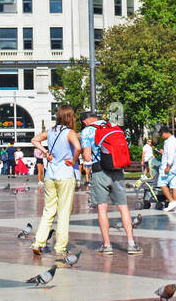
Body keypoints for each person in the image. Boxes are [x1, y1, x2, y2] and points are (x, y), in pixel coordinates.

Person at [80, 111, 142, 256]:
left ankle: (107, 245)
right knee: (123, 207)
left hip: (100, 171)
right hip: (118, 169)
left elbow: (87, 157)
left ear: (85, 121)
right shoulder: (113, 125)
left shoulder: (87, 131)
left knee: (102, 208)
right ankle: (131, 244)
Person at [31, 104, 80, 257]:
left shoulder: (50, 131)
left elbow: (35, 140)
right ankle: (60, 247)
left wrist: (46, 153)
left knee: (48, 211)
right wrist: (73, 160)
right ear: (70, 117)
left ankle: (38, 242)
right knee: (64, 212)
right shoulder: (69, 132)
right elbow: (78, 147)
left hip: (50, 175)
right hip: (65, 175)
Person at [158, 125, 176, 212]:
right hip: (175, 166)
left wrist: (168, 166)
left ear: (164, 133)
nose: (162, 137)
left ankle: (172, 201)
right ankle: (174, 203)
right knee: (174, 185)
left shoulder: (169, 141)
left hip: (169, 167)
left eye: (161, 135)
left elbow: (171, 155)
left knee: (161, 183)